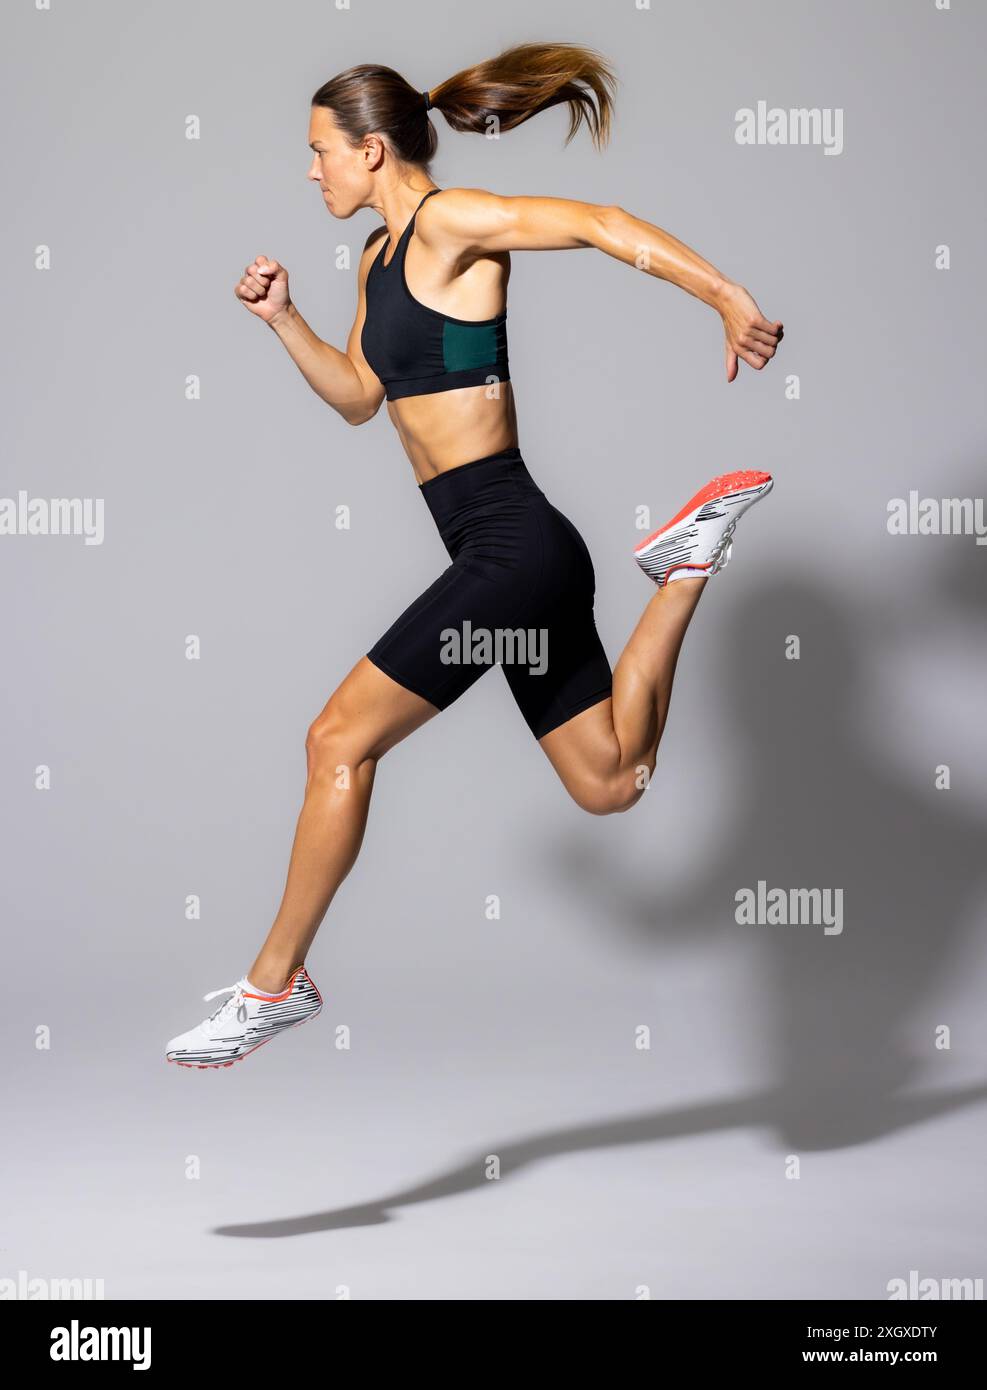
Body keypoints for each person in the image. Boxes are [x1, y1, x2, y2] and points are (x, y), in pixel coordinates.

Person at [166, 42, 782, 1068]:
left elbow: (599, 225)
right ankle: (688, 564)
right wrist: (283, 321)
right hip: (527, 554)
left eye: (319, 152)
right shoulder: (376, 260)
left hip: (510, 546)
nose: (309, 171)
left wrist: (722, 293)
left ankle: (273, 982)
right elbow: (365, 396)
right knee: (613, 782)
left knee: (335, 743)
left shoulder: (450, 225)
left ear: (372, 151)